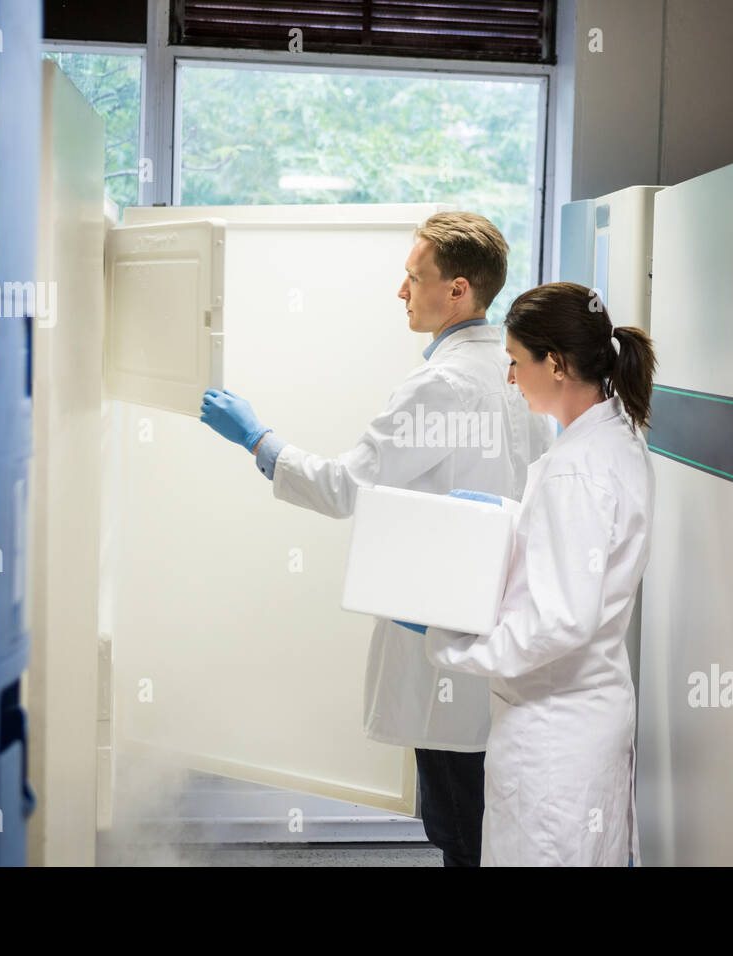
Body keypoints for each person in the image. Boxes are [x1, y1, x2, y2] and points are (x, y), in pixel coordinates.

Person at [199, 212, 554, 866]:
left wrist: (258, 440)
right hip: (499, 630)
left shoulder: (441, 385)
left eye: (414, 278)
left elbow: (344, 488)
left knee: (462, 828)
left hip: (449, 636)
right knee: (479, 821)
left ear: (459, 290)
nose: (401, 292)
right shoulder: (513, 372)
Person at [419, 281, 657, 866]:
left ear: (554, 364)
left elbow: (558, 621)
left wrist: (452, 647)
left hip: (553, 733)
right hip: (581, 716)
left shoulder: (576, 471)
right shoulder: (613, 440)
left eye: (514, 362)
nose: (509, 378)